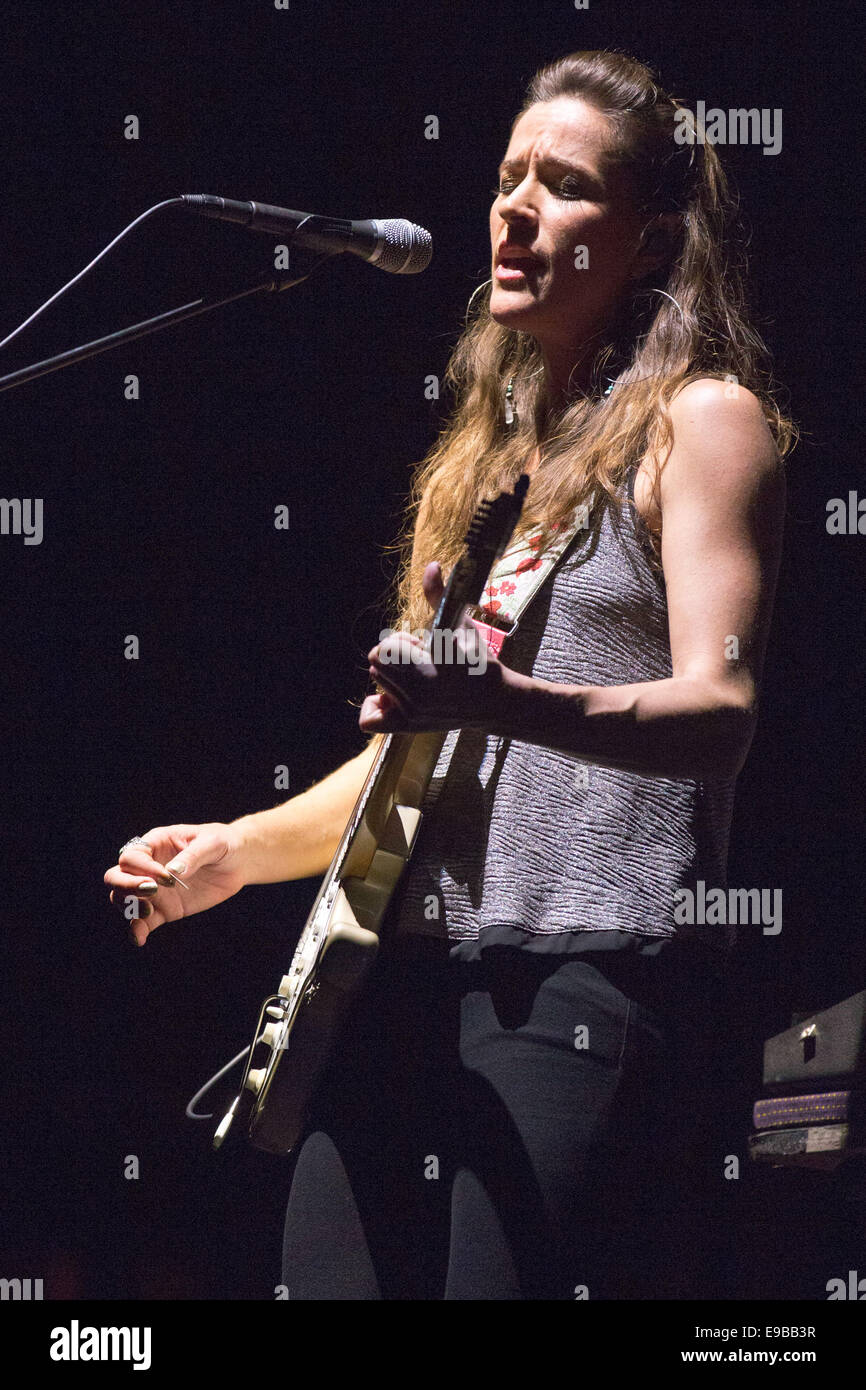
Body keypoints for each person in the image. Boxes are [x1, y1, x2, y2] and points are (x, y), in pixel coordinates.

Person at [105, 50, 793, 1300]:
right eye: (506, 176)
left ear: (645, 245)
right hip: (394, 976)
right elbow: (411, 759)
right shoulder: (477, 474)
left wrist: (507, 701)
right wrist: (234, 851)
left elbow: (720, 712)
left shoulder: (702, 422)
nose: (516, 208)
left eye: (565, 185)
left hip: (579, 978)